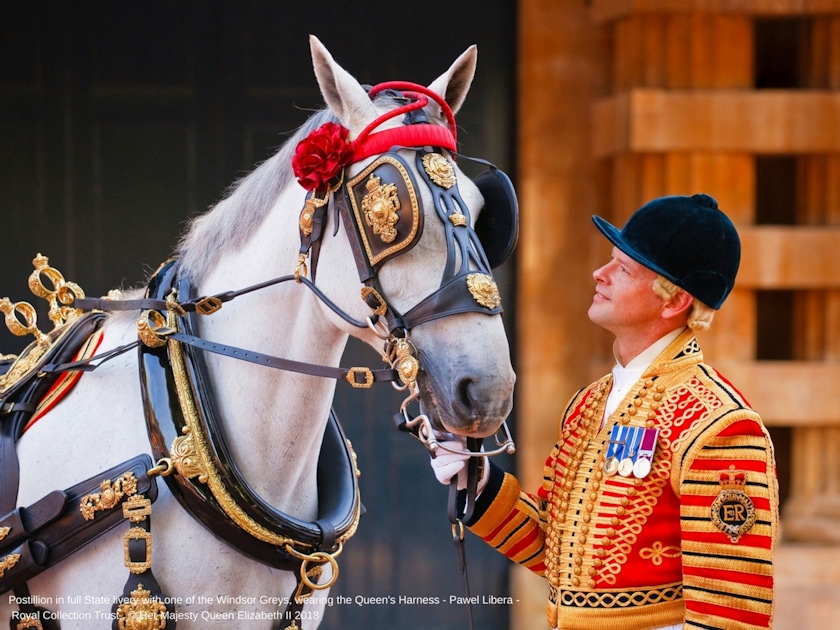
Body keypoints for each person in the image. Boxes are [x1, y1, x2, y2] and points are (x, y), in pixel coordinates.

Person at [431, 193, 779, 629]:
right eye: (611, 259)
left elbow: (729, 613)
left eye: (624, 268)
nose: (600, 273)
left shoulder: (718, 424)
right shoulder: (589, 403)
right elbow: (556, 555)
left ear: (674, 301)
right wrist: (479, 481)